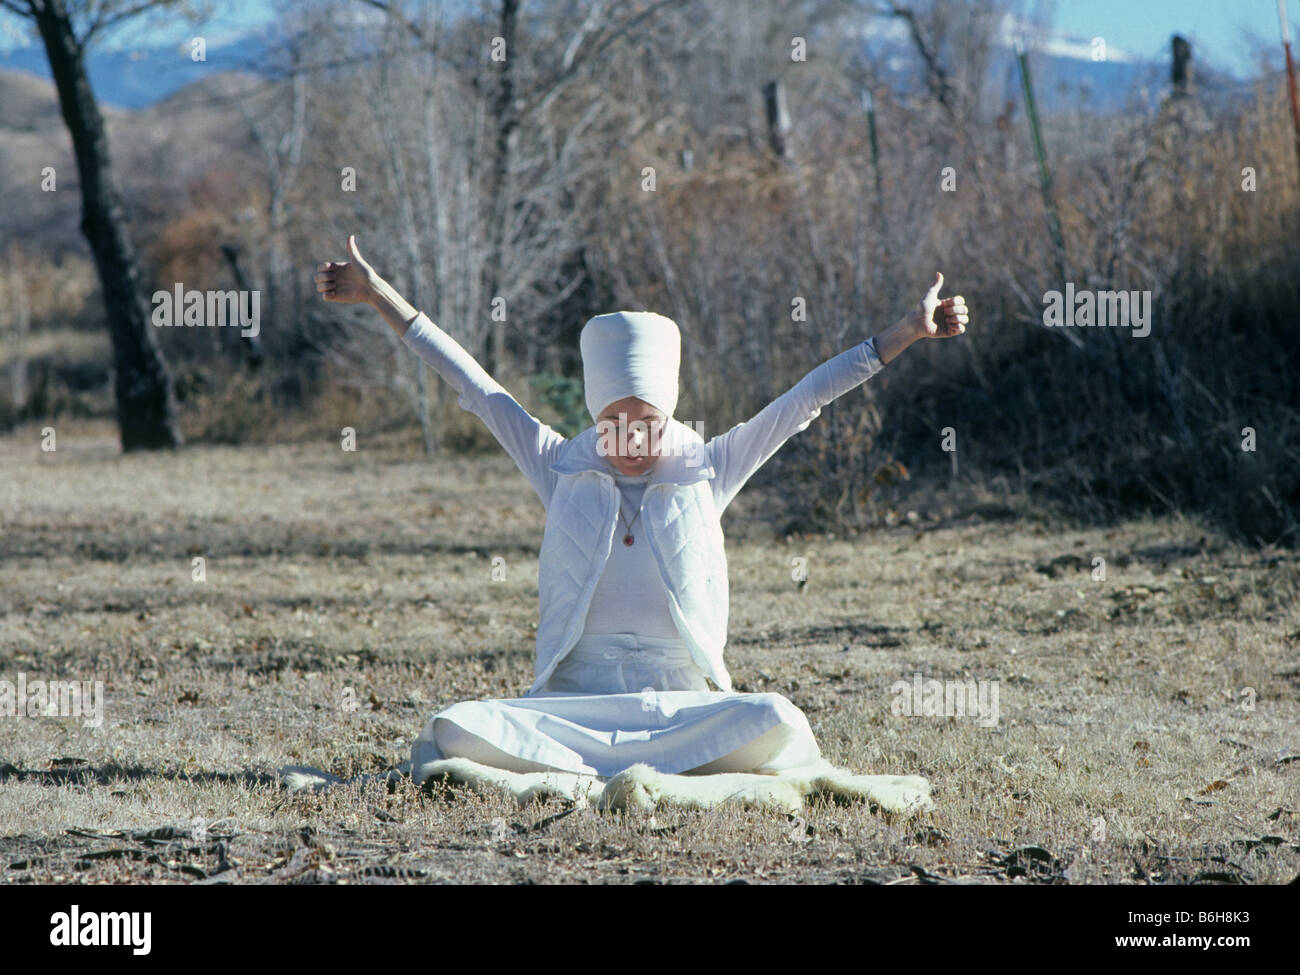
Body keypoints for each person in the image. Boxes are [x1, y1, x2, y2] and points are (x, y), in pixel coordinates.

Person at [315, 235, 969, 782]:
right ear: (597, 417)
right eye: (616, 423)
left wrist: (909, 330)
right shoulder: (558, 465)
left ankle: (621, 767)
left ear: (671, 413)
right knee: (458, 725)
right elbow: (472, 382)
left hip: (680, 705)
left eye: (647, 423)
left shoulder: (709, 467)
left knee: (775, 719)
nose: (632, 439)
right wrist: (378, 295)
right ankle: (632, 768)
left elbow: (806, 399)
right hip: (574, 706)